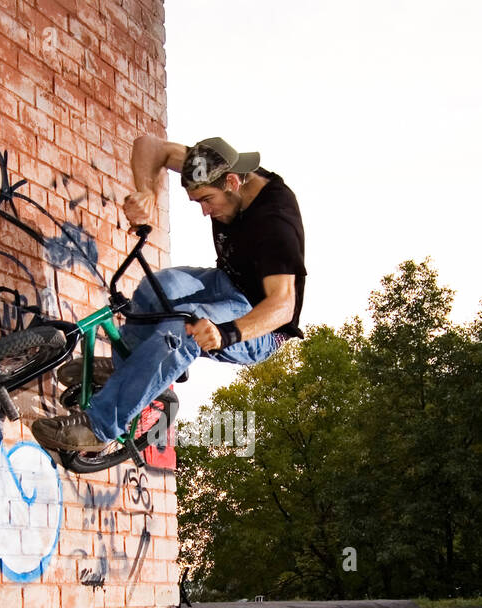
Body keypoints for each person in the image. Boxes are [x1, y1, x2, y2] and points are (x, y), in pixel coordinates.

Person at [30, 135, 306, 453]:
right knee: (155, 289)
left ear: (232, 182)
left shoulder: (276, 221)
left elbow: (283, 305)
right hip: (225, 282)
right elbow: (151, 146)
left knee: (181, 330)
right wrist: (147, 191)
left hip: (260, 324)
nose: (205, 212)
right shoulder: (214, 167)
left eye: (207, 200)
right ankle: (129, 372)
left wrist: (227, 333)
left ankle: (98, 428)